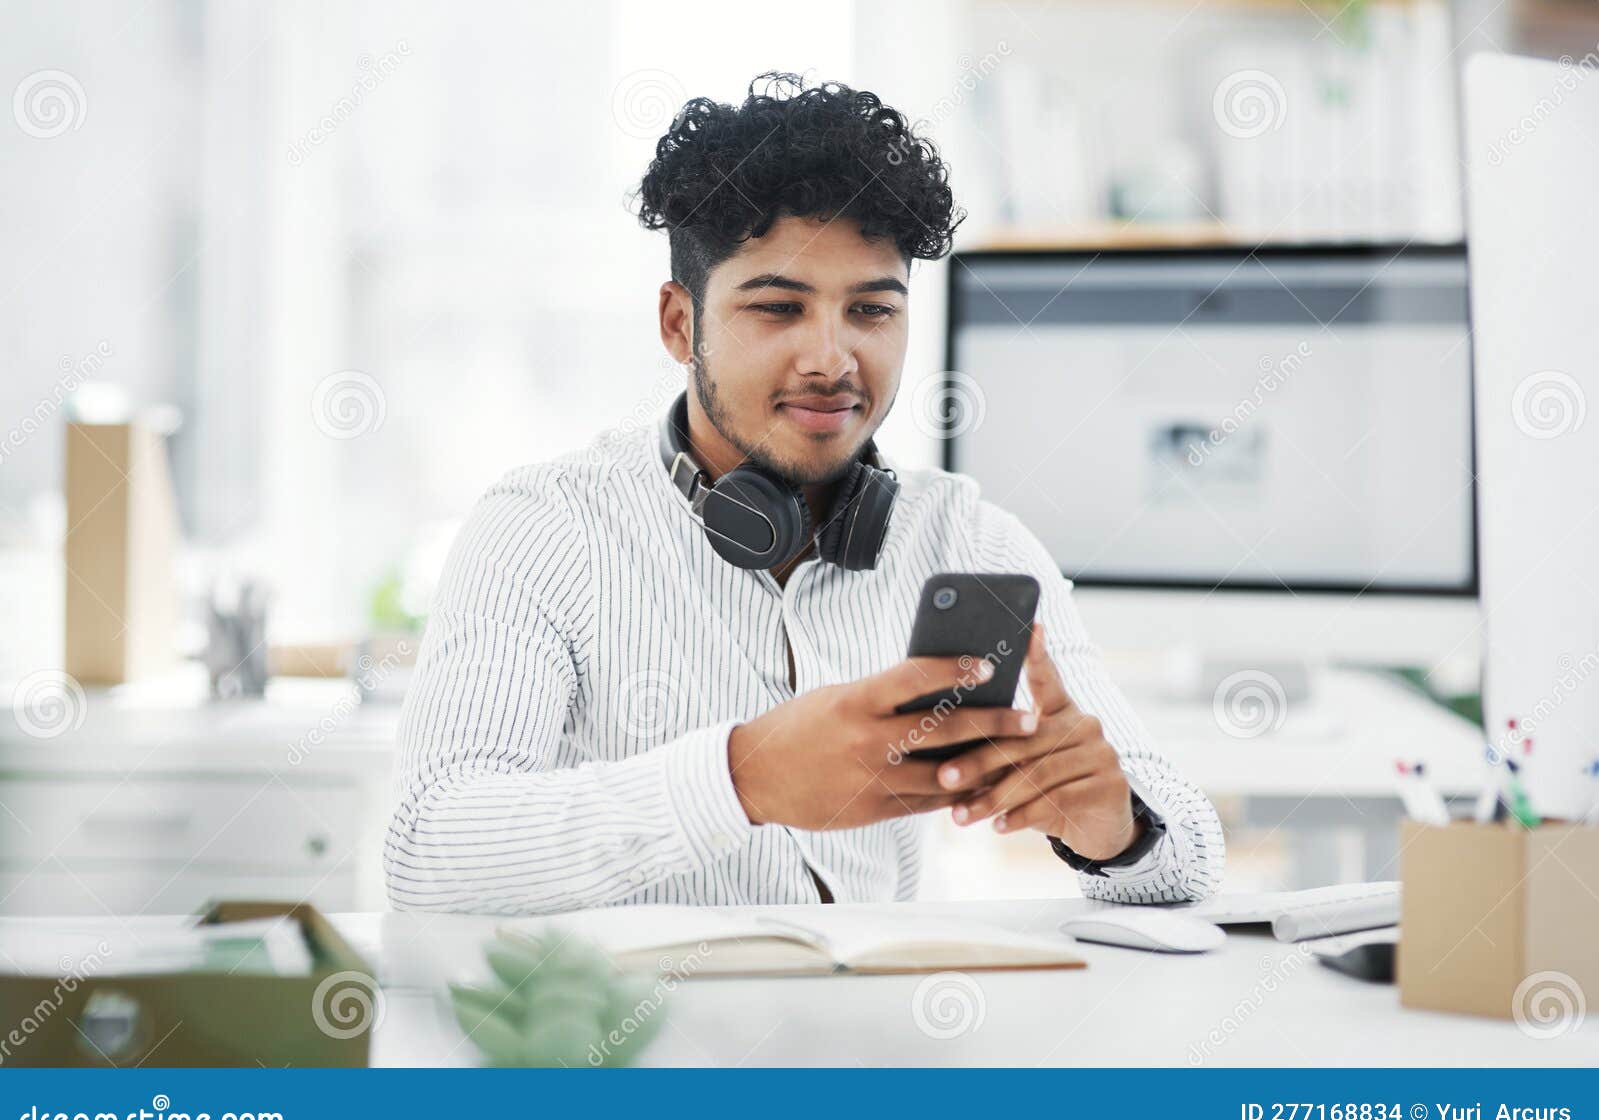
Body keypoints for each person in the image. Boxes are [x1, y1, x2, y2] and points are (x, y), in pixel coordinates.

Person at [385, 73, 1223, 914]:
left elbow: (1191, 860)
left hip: (868, 1033)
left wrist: (1120, 832)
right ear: (681, 324)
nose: (831, 357)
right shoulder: (544, 530)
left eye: (869, 310)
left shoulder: (971, 540)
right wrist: (741, 778)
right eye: (779, 309)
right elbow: (430, 851)